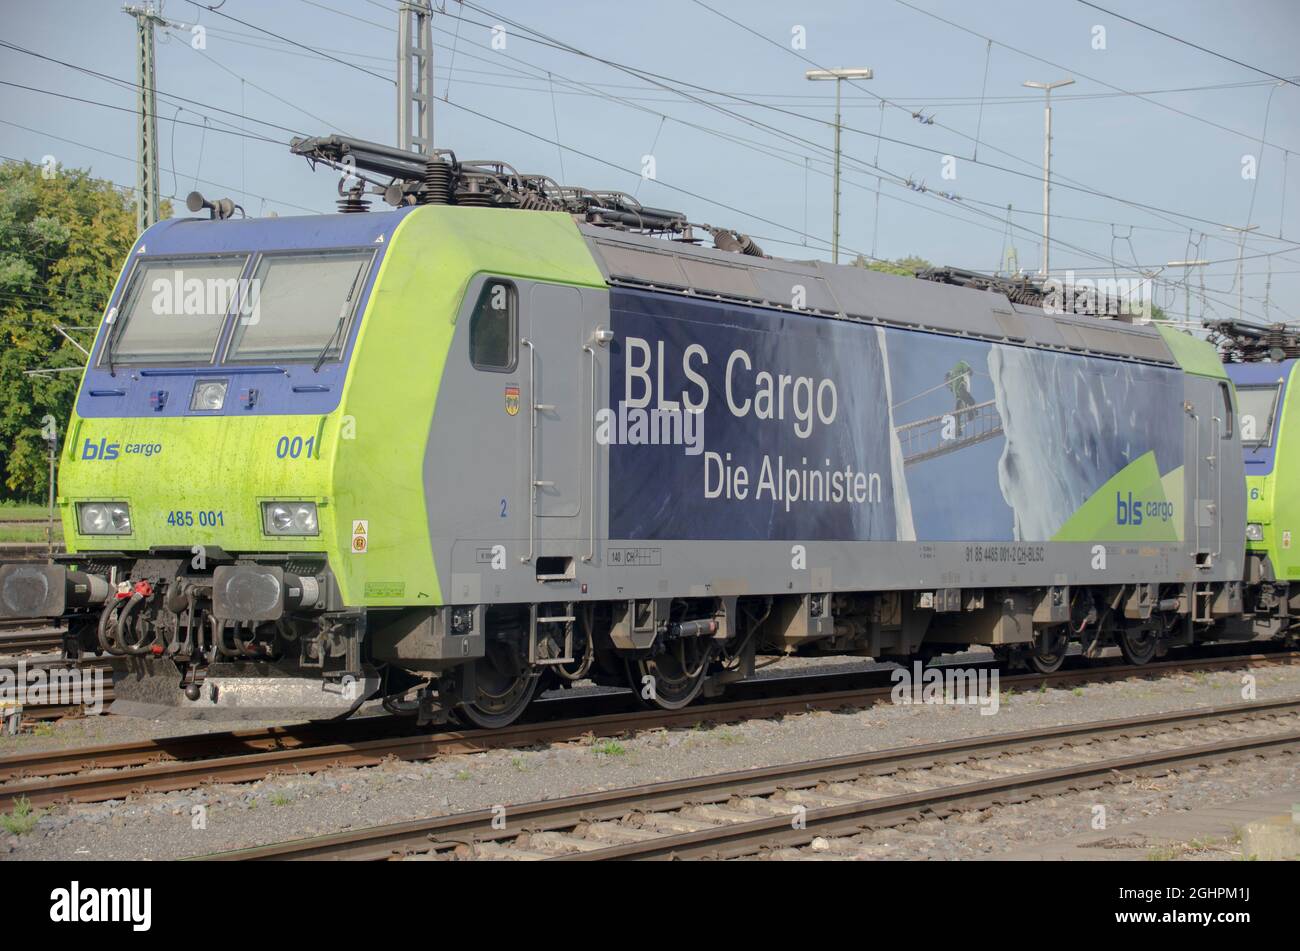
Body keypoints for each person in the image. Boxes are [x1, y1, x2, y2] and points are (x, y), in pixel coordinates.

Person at [945, 359, 975, 434]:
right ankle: (957, 428)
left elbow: (961, 363)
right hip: (960, 397)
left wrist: (968, 368)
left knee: (963, 394)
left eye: (948, 380)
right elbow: (953, 389)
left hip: (962, 386)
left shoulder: (955, 371)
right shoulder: (953, 387)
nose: (948, 382)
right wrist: (950, 386)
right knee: (957, 410)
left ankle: (972, 408)